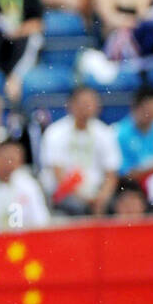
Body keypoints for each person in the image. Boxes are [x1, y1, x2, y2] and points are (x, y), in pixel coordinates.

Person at [39, 87, 122, 216]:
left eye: (90, 103)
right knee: (78, 207)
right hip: (66, 192)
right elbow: (58, 174)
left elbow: (111, 173)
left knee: (122, 204)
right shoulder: (55, 133)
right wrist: (86, 198)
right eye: (82, 103)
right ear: (70, 105)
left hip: (97, 190)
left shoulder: (105, 133)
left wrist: (102, 196)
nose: (86, 107)